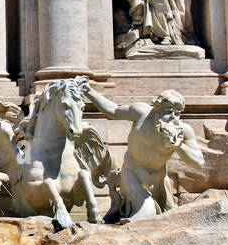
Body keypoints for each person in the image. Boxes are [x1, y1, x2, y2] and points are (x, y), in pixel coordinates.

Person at [80, 85, 202, 219]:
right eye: (168, 111)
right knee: (146, 212)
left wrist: (178, 146)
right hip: (133, 174)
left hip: (159, 180)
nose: (174, 117)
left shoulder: (183, 131)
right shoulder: (141, 114)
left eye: (177, 113)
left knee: (172, 216)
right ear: (157, 108)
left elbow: (198, 163)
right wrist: (88, 90)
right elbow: (112, 110)